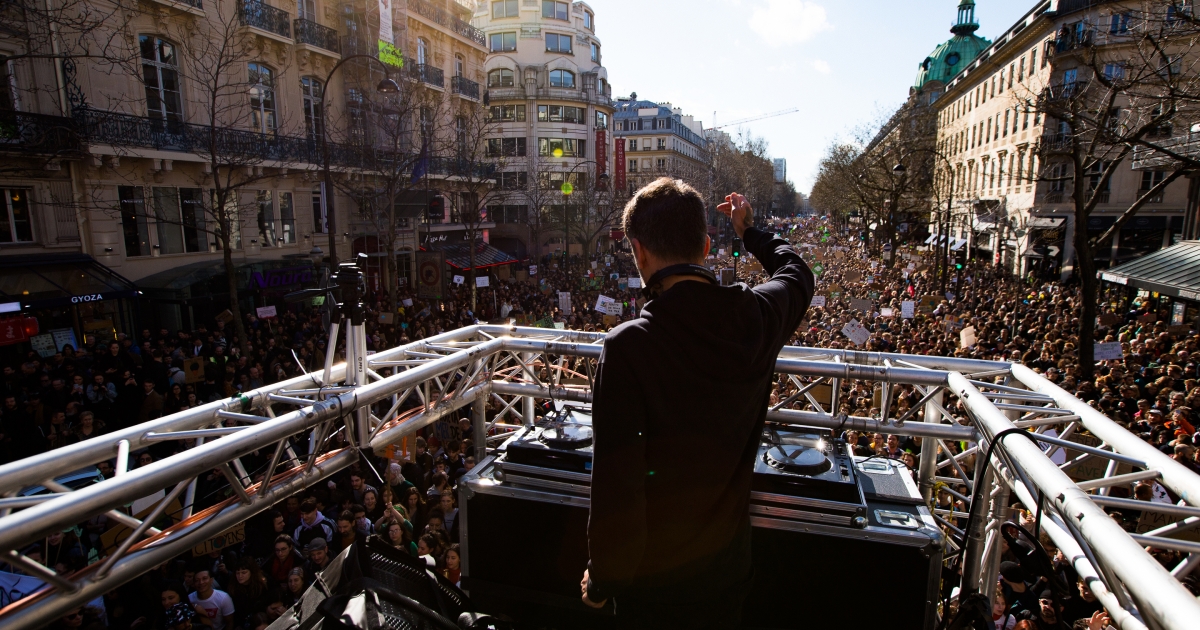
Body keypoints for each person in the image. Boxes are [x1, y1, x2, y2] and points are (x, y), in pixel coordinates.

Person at [582, 183, 813, 627]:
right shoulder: (756, 317)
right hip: (727, 576)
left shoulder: (629, 347)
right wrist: (750, 231)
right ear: (706, 246)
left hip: (655, 591)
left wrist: (602, 581)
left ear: (639, 252)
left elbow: (618, 487)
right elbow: (797, 273)